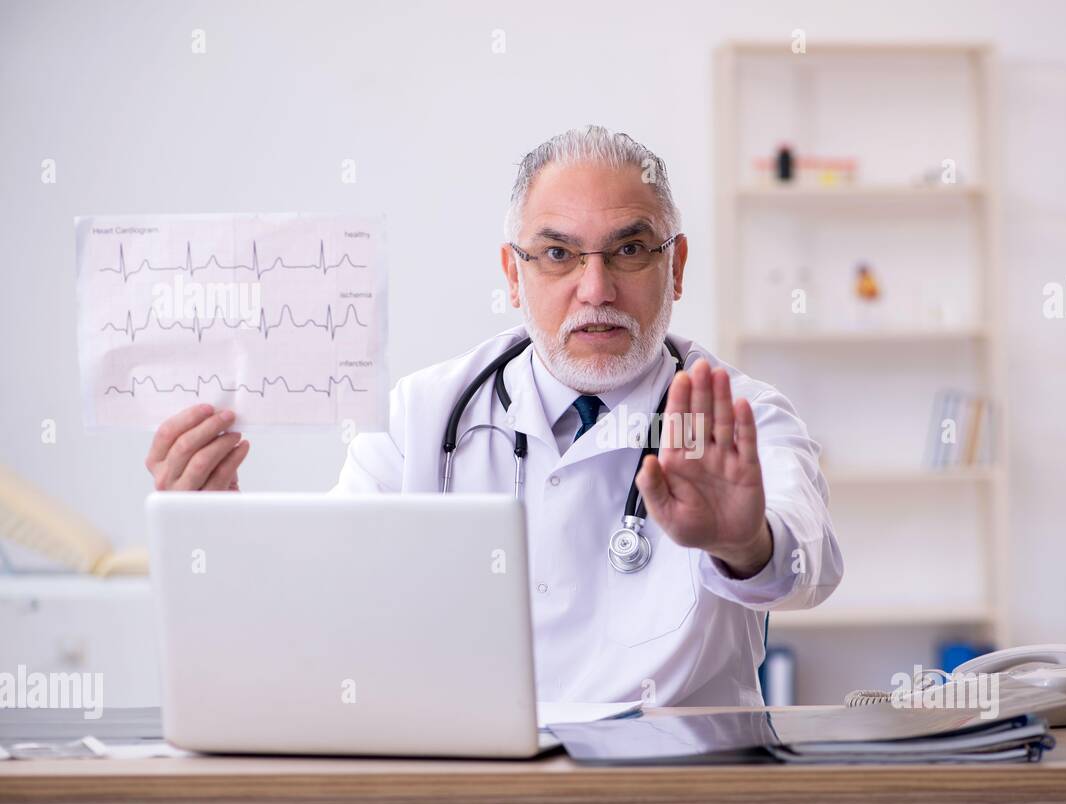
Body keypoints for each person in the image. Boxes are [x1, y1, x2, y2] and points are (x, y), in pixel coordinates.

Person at [144, 125, 843, 706]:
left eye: (630, 250)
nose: (594, 288)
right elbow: (329, 606)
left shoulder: (740, 414)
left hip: (678, 803)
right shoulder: (422, 417)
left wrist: (744, 543)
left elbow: (812, 565)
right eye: (558, 254)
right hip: (475, 799)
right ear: (513, 274)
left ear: (677, 265)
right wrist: (219, 533)